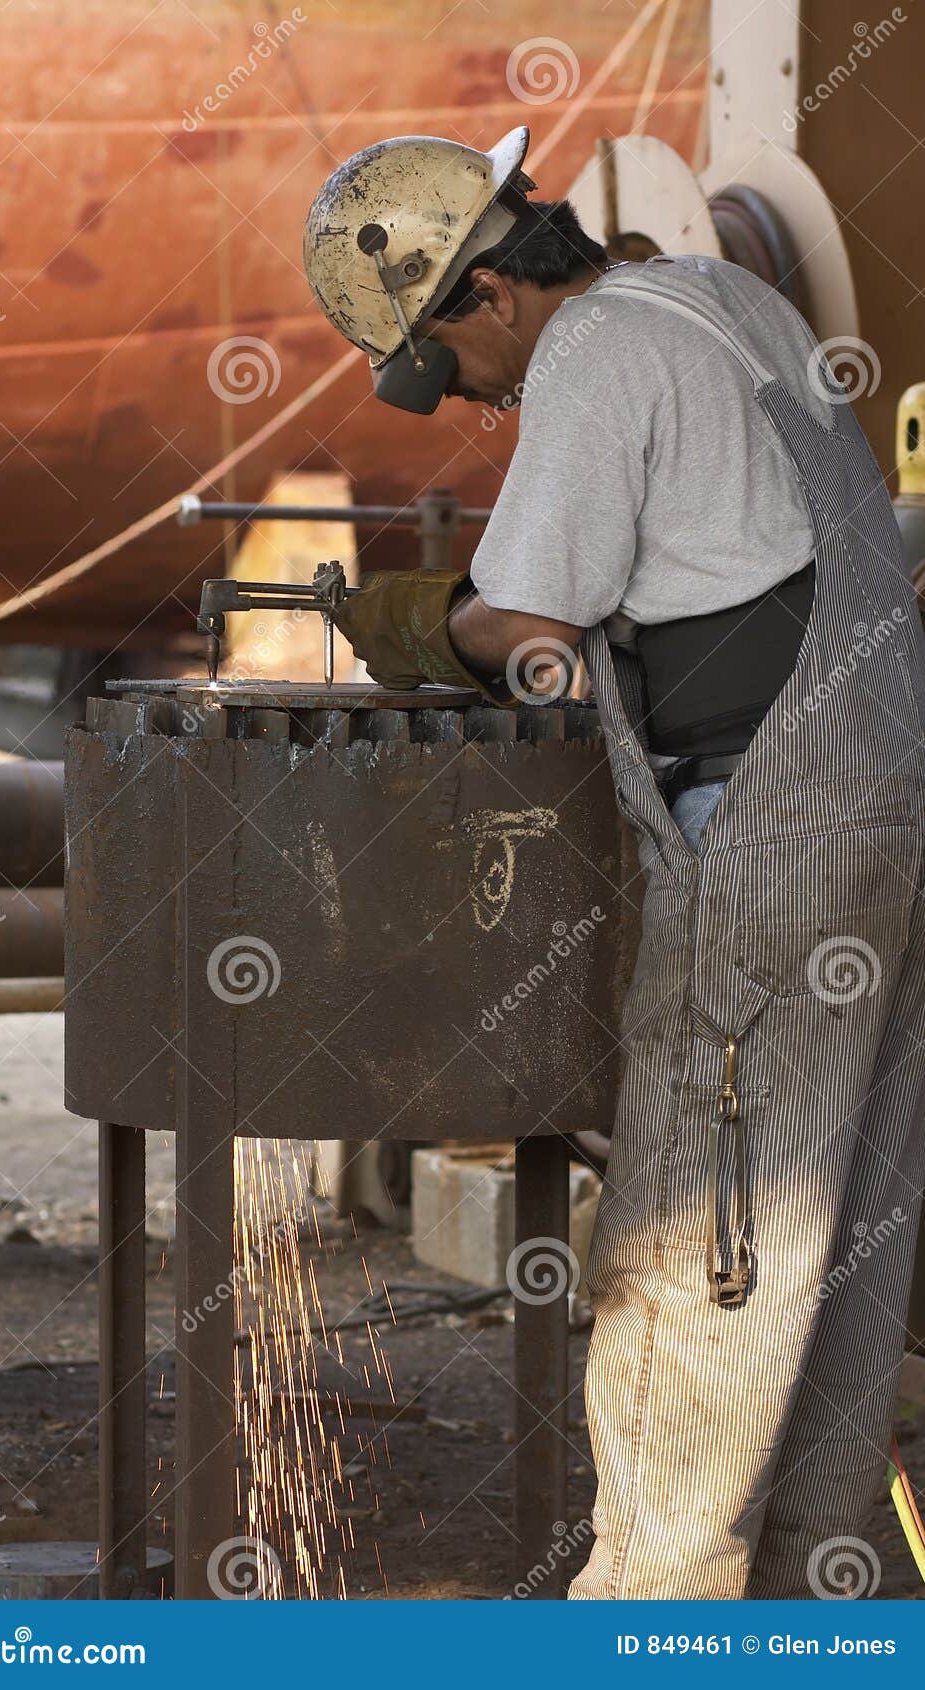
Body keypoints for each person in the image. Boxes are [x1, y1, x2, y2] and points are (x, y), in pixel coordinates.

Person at [302, 126, 925, 1599]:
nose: (468, 397)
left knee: (695, 1243)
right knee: (838, 1249)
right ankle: (813, 1602)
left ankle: (650, 1615)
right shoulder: (729, 304)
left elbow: (534, 632)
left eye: (448, 367)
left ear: (485, 299)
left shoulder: (589, 352)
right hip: (885, 818)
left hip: (771, 839)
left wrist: (412, 622)